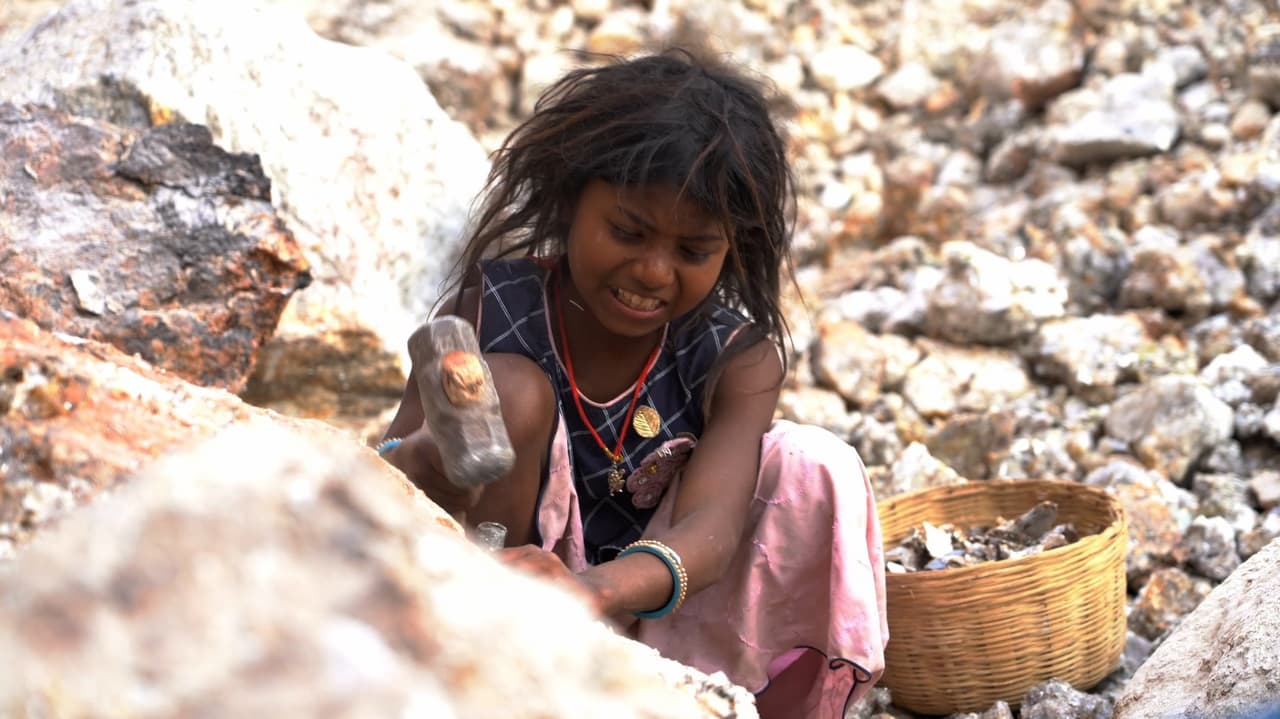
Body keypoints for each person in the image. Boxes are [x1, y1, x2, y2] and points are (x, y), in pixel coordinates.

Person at [377, 47, 887, 719]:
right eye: (627, 230)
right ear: (571, 201)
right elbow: (383, 481)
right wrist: (438, 457)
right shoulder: (491, 310)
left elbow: (713, 526)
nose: (652, 271)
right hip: (503, 602)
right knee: (509, 391)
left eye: (692, 252)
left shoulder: (737, 358)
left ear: (733, 248)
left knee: (815, 463)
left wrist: (594, 591)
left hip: (659, 611)